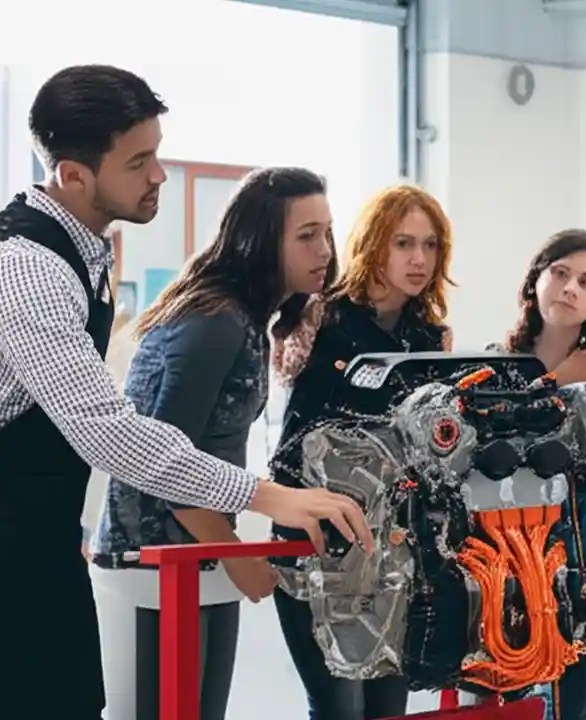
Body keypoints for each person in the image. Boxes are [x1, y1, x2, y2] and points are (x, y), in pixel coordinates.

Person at [0, 64, 369, 720]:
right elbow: (110, 431)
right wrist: (266, 496)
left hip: (41, 541)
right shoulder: (29, 268)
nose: (159, 176)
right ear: (73, 175)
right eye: (138, 162)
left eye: (157, 154)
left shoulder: (85, 255)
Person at [89, 167, 336, 720]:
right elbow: (163, 464)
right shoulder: (214, 320)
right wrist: (235, 555)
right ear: (260, 240)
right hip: (153, 562)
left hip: (199, 554)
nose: (324, 250)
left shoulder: (243, 317)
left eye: (327, 232)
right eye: (306, 235)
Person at [271, 183, 455, 720]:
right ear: (375, 243)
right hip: (315, 538)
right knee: (339, 705)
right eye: (404, 243)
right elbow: (291, 434)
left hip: (394, 549)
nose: (419, 259)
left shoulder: (432, 338)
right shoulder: (320, 317)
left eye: (430, 245)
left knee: (388, 706)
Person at [489, 229, 586, 720]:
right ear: (536, 280)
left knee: (572, 711)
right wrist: (556, 384)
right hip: (508, 566)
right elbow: (488, 456)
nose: (571, 288)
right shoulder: (492, 367)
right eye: (561, 273)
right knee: (506, 709)